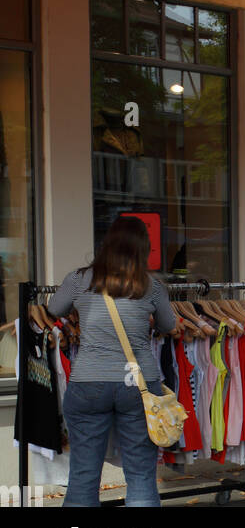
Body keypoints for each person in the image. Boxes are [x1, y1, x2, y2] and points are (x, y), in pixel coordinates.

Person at [47, 215, 177, 507]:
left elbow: (54, 307)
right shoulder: (152, 286)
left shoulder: (79, 279)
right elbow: (169, 325)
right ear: (143, 248)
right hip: (139, 384)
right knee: (141, 475)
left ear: (107, 244)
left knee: (83, 474)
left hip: (89, 381)